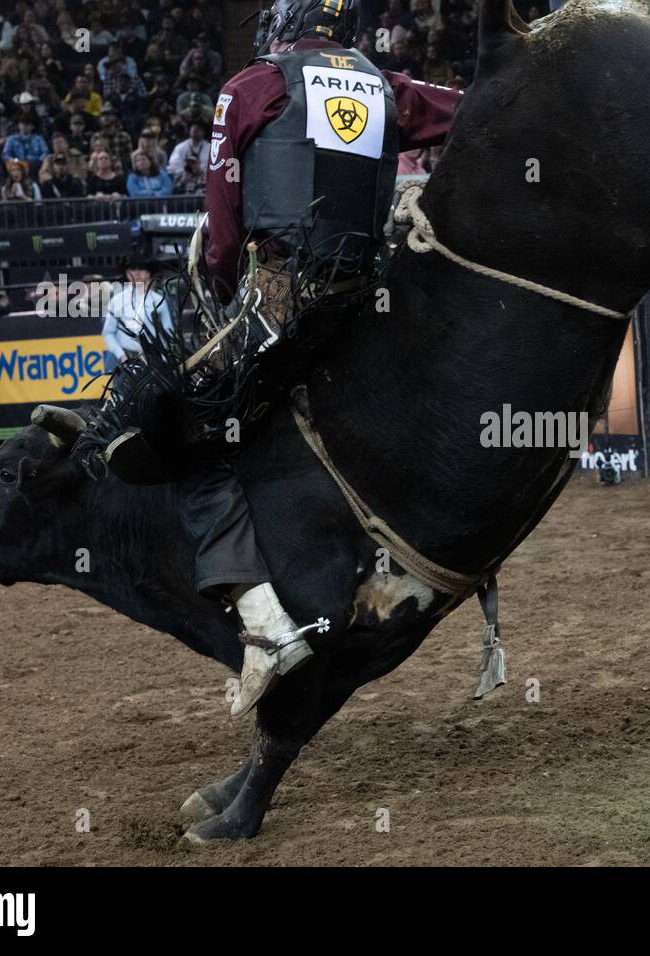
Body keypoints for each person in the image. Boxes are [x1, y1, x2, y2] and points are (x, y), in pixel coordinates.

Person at [88, 0, 462, 719]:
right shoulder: (388, 87)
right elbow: (474, 112)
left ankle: (262, 623)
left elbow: (223, 221)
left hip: (283, 296)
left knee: (187, 427)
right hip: (369, 294)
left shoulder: (253, 86)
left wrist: (225, 294)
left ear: (282, 22)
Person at [101, 255, 177, 363]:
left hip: (154, 357)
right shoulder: (117, 301)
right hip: (126, 358)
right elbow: (108, 333)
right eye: (132, 269)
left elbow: (168, 332)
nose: (137, 273)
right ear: (127, 273)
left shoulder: (158, 300)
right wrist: (121, 355)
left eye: (141, 269)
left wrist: (164, 357)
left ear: (148, 273)